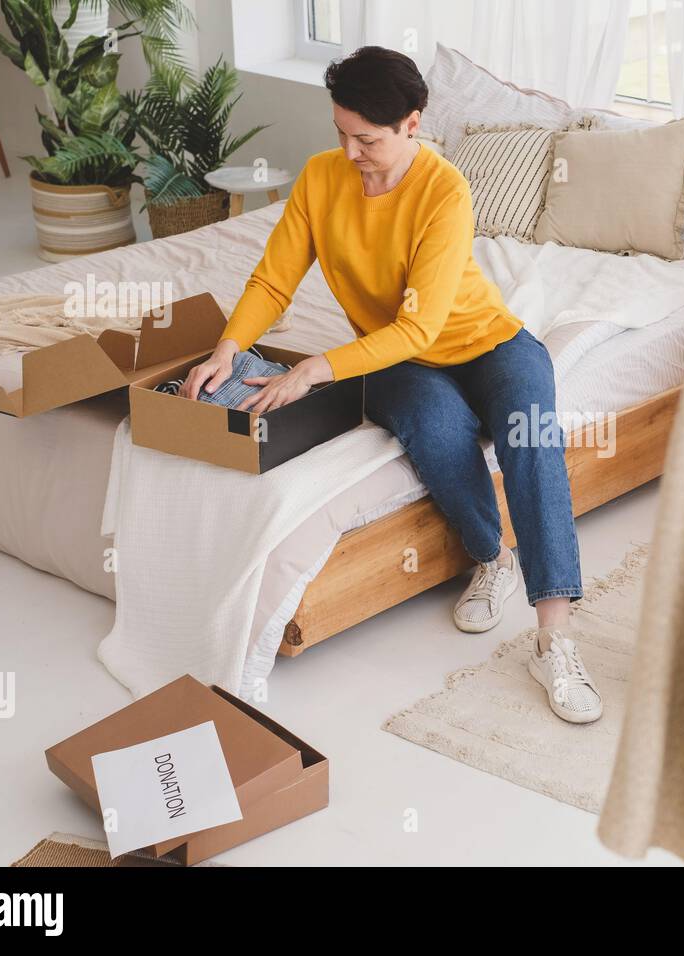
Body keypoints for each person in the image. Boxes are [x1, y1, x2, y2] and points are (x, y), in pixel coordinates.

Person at [182, 47, 601, 723]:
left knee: (531, 435)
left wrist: (317, 367)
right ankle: (493, 557)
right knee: (435, 430)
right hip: (401, 362)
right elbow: (272, 280)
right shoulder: (322, 179)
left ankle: (555, 637)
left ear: (412, 124)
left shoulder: (444, 190)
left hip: (486, 343)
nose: (350, 151)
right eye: (341, 133)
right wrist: (228, 349)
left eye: (367, 139)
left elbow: (420, 325)